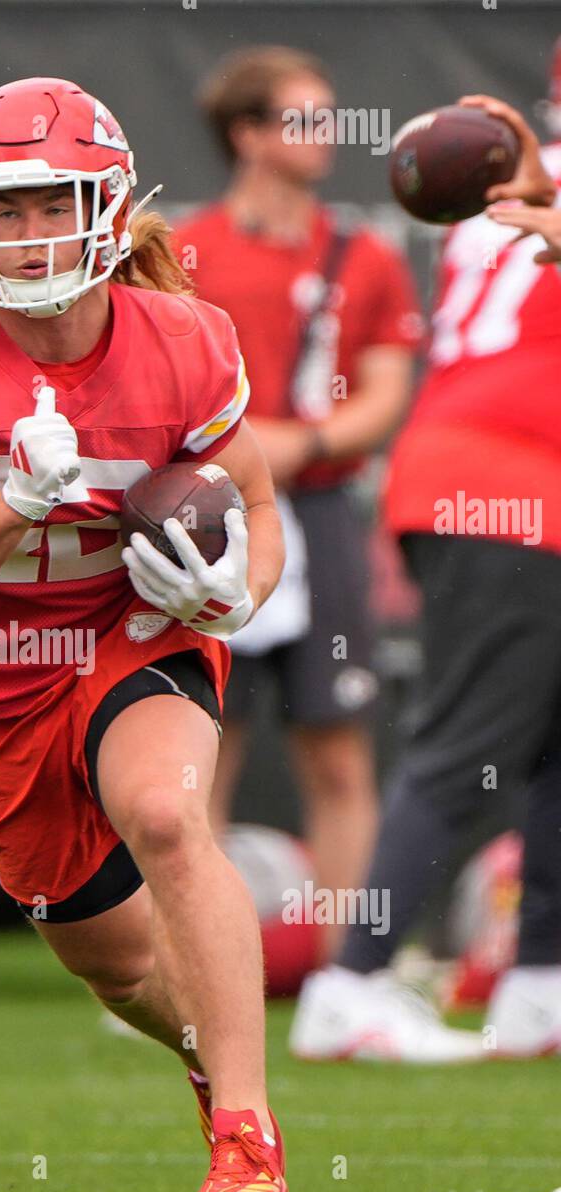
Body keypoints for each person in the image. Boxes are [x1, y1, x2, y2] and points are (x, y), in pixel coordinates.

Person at [0, 78, 288, 1192]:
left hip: (126, 629)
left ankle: (244, 1126)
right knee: (117, 964)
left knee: (163, 813)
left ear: (105, 204)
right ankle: (207, 1057)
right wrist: (10, 509)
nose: (30, 234)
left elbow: (258, 510)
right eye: (5, 212)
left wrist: (231, 591)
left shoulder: (185, 339)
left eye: (52, 204)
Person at [291, 84, 561, 1063]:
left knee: (548, 748)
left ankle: (539, 978)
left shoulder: (510, 192)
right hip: (513, 485)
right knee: (462, 745)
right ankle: (349, 980)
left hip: (475, 474)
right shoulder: (529, 196)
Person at [174, 48, 422, 963]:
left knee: (338, 752)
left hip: (318, 513)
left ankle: (341, 973)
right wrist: (240, 451)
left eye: (327, 117)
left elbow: (389, 392)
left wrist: (305, 443)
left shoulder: (366, 255)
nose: (325, 137)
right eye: (301, 118)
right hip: (210, 516)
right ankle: (186, 962)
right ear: (246, 134)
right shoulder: (187, 251)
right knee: (200, 751)